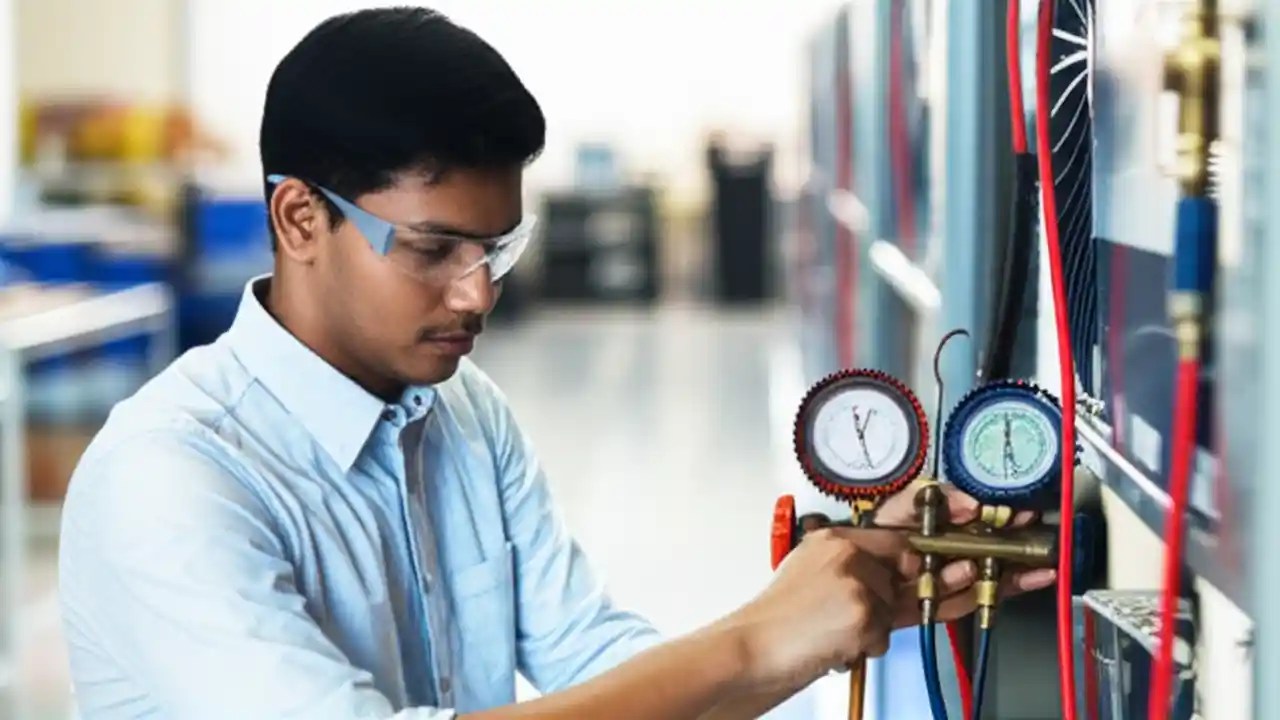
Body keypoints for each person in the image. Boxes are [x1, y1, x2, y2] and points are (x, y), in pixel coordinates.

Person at [57, 8, 1055, 719]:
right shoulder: (169, 478)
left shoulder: (460, 415)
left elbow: (598, 662)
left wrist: (837, 595)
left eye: (496, 250)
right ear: (299, 218)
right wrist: (761, 636)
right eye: (433, 249)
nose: (477, 294)